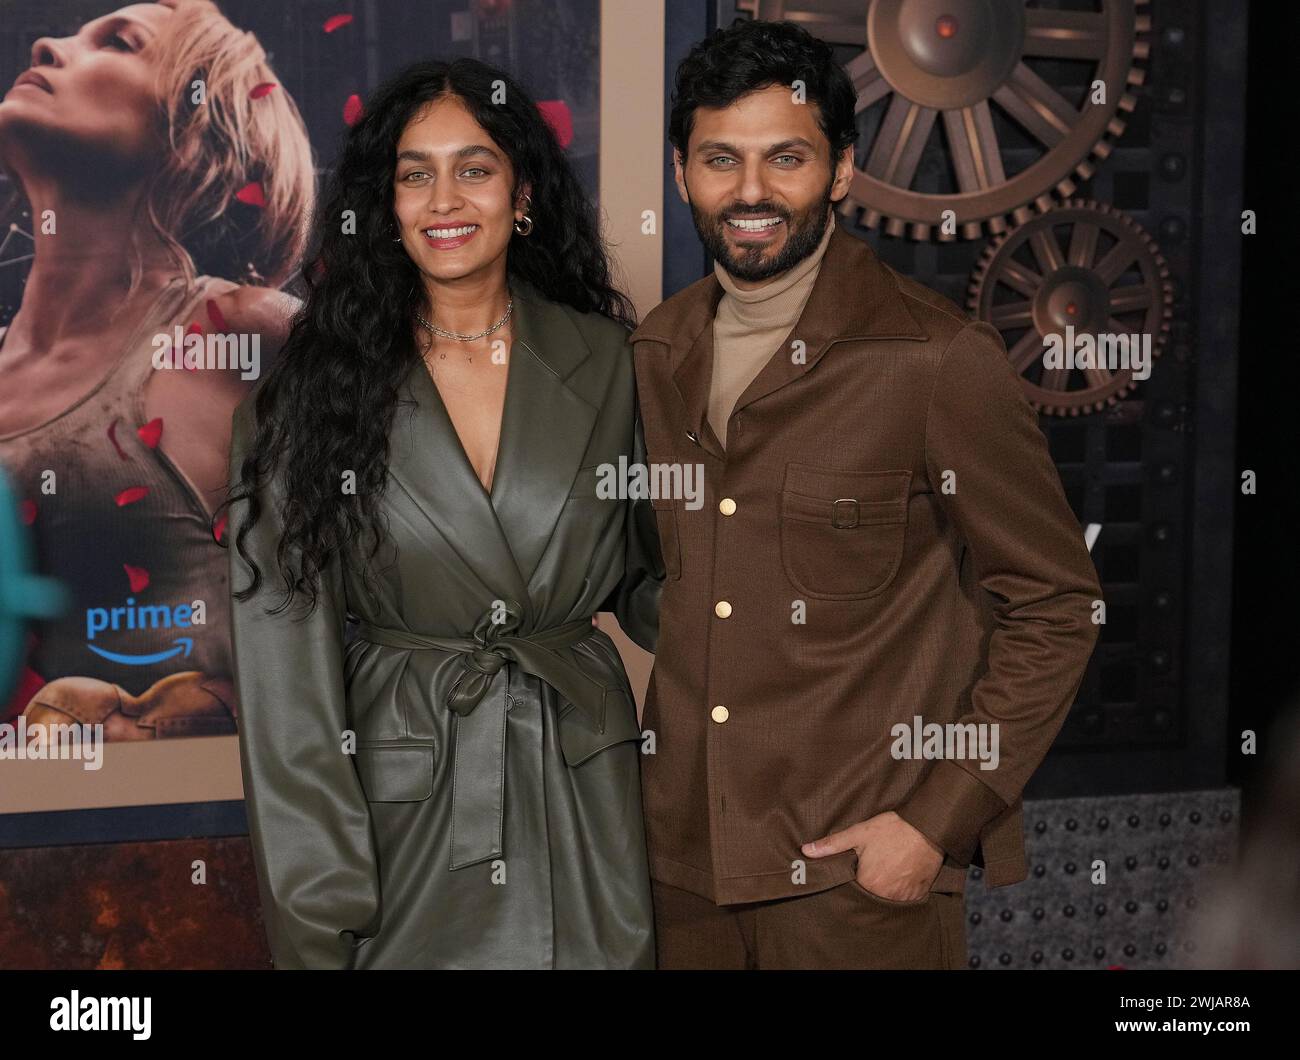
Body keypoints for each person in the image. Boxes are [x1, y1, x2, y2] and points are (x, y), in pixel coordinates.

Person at [629, 19, 1102, 969]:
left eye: (786, 158)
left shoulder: (937, 360)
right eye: (721, 159)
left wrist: (934, 824)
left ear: (841, 170)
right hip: (680, 876)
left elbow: (1059, 605)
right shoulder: (656, 347)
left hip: (854, 886)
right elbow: (668, 585)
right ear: (682, 173)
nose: (751, 191)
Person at [220, 57, 662, 970]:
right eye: (414, 174)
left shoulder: (617, 362)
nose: (443, 198)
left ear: (523, 193)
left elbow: (672, 587)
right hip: (406, 825)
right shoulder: (307, 396)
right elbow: (287, 696)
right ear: (385, 207)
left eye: (475, 167)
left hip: (588, 804)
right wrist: (315, 912)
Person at [0, 0, 313, 737]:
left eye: (119, 42)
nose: (48, 43)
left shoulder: (248, 337)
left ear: (203, 127)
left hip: (166, 838)